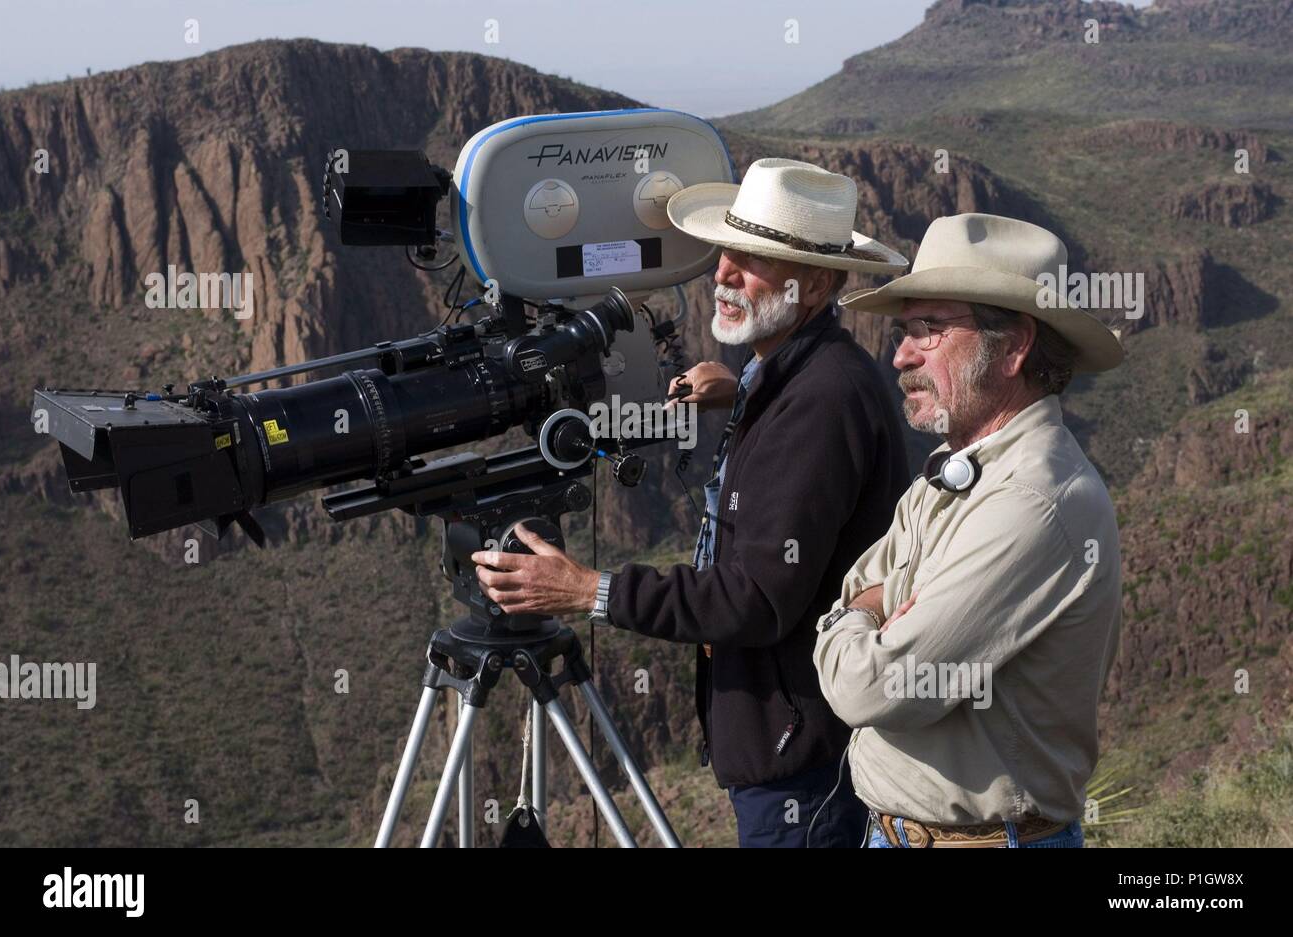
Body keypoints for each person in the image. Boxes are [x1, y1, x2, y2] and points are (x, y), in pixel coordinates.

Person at [469, 158, 910, 846]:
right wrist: (743, 397)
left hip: (802, 767)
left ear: (818, 283)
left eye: (754, 260)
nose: (724, 274)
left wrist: (589, 590)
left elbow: (754, 599)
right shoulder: (799, 377)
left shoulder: (822, 400)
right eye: (725, 250)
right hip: (792, 745)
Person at [814, 212, 1125, 848]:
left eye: (930, 329)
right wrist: (874, 605)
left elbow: (871, 687)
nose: (900, 354)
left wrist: (852, 616)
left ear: (1013, 347)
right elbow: (862, 582)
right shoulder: (957, 471)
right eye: (905, 330)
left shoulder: (1032, 503)